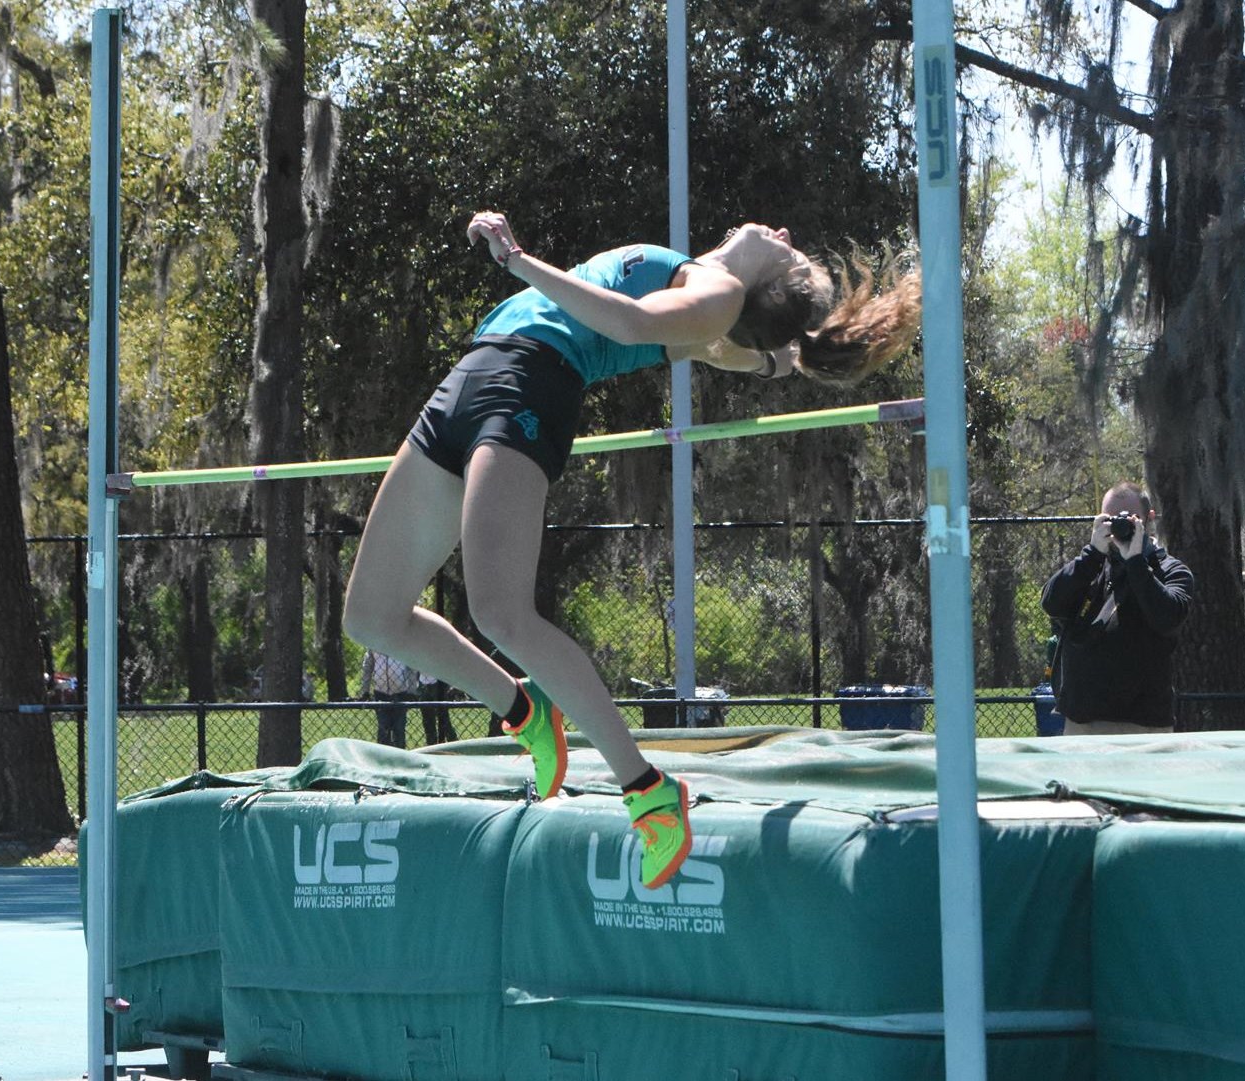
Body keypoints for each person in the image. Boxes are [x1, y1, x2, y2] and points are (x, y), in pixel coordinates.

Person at [343, 211, 920, 888]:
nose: (787, 235)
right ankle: (525, 709)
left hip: (526, 384)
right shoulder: (703, 284)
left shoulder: (720, 295)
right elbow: (705, 344)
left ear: (768, 281)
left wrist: (519, 260)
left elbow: (632, 324)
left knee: (500, 611)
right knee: (372, 615)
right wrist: (767, 361)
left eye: (792, 257)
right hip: (475, 373)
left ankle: (647, 790)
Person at [1041, 481, 1195, 734]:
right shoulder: (1090, 567)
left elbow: (1168, 617)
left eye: (1129, 519)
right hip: (1081, 724)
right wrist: (1091, 554)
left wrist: (1135, 562)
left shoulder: (1171, 571)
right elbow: (1051, 603)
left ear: (1149, 519)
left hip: (1142, 727)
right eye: (1111, 519)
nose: (1120, 526)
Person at [360, 647, 422, 747]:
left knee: (399, 728)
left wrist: (411, 690)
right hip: (380, 691)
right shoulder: (374, 643)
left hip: (401, 692)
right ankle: (383, 756)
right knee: (383, 727)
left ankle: (401, 754)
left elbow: (411, 666)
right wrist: (365, 690)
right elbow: (368, 666)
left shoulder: (401, 643)